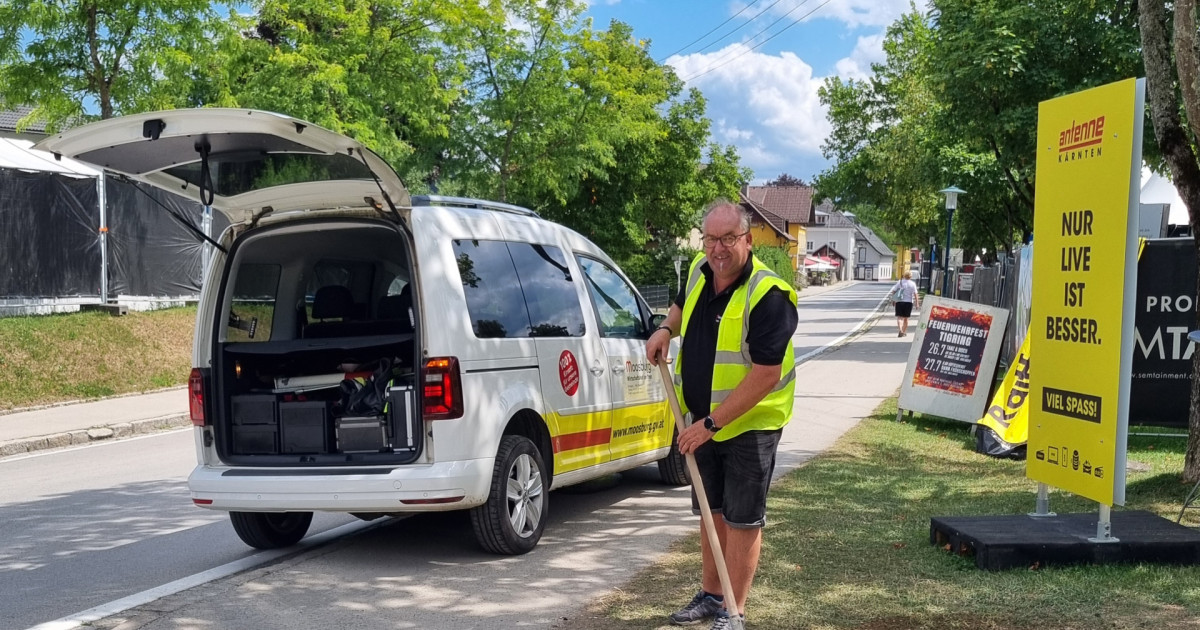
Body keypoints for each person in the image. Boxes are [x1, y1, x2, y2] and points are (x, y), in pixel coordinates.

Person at [646, 201, 798, 630]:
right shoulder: (699, 269)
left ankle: (735, 612)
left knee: (742, 518)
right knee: (711, 511)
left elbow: (766, 374)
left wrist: (712, 425)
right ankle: (713, 597)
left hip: (750, 424)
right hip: (700, 419)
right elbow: (680, 308)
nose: (718, 248)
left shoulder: (769, 296)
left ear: (748, 241)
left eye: (728, 239)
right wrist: (664, 329)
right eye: (711, 238)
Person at [889, 271, 920, 337]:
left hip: (899, 302)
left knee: (899, 317)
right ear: (910, 276)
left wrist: (894, 300)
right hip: (908, 303)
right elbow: (915, 294)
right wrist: (917, 303)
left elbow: (893, 291)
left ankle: (900, 330)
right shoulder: (912, 284)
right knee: (906, 319)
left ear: (904, 275)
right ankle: (903, 331)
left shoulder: (900, 282)